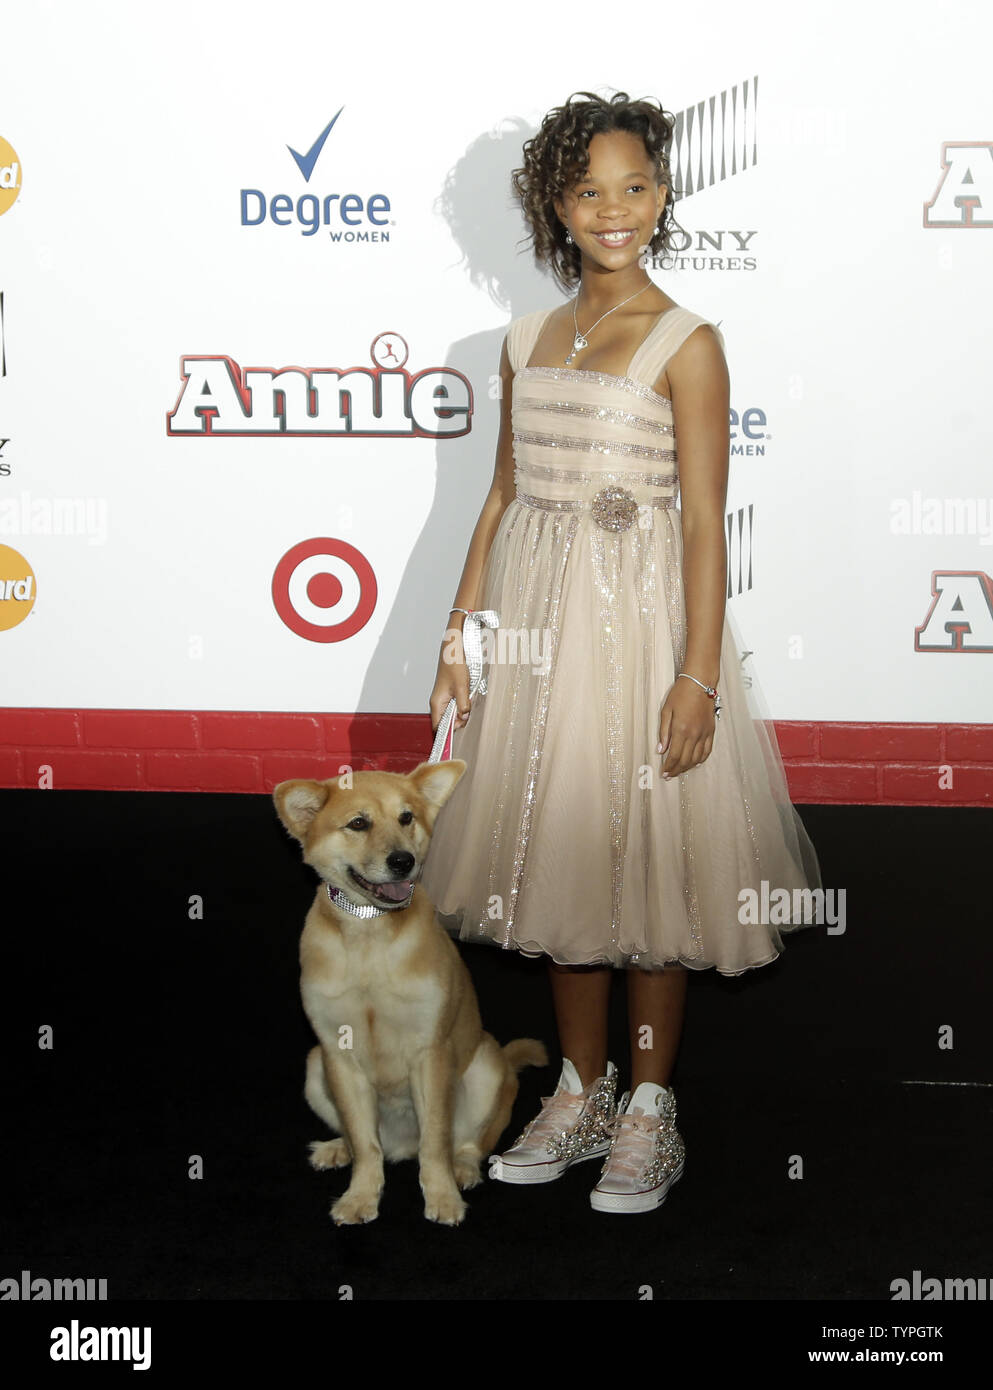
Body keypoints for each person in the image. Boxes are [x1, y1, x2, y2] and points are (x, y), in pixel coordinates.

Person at [420, 90, 822, 1215]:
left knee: (652, 865)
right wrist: (462, 637)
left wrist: (698, 675)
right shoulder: (520, 339)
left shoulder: (690, 343)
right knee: (561, 854)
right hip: (543, 634)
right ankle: (580, 1092)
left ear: (663, 194)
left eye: (635, 186)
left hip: (647, 632)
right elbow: (500, 495)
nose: (615, 209)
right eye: (590, 189)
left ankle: (649, 1107)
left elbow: (704, 520)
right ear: (556, 202)